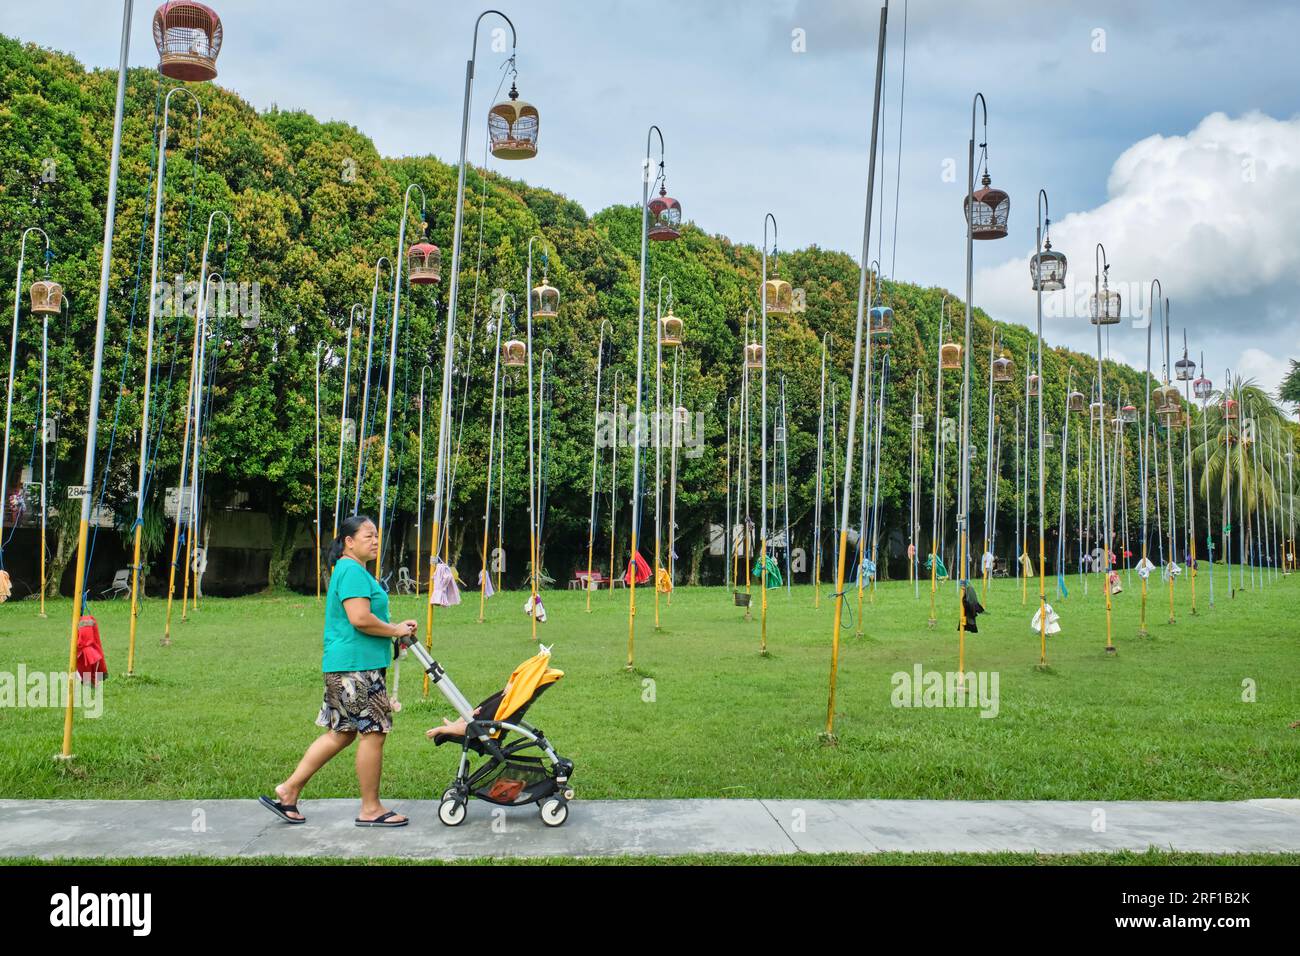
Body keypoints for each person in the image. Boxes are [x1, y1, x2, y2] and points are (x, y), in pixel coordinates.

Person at [259, 515, 417, 827]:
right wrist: (394, 629)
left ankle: (288, 791)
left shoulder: (349, 570)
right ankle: (371, 809)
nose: (374, 541)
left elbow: (362, 620)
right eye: (368, 535)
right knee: (374, 733)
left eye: (376, 536)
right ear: (349, 541)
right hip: (355, 669)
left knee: (342, 733)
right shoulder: (352, 571)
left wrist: (394, 633)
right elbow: (359, 618)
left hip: (347, 666)